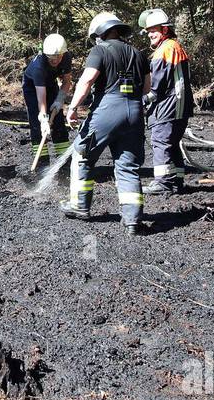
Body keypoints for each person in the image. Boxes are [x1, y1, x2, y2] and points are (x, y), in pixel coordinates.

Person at [59, 12, 149, 235]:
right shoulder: (138, 53)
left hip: (107, 110)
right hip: (135, 112)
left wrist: (72, 109)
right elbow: (147, 88)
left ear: (100, 33)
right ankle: (132, 220)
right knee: (128, 165)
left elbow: (87, 80)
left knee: (82, 155)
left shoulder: (99, 50)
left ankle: (79, 206)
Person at [140, 8, 193, 196]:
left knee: (160, 140)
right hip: (179, 105)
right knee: (172, 142)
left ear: (164, 30)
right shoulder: (173, 46)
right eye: (148, 31)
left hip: (170, 105)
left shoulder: (166, 49)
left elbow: (157, 85)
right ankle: (177, 181)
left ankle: (162, 182)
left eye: (153, 30)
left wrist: (143, 100)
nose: (150, 35)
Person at [22, 33, 75, 170]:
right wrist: (43, 117)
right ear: (46, 55)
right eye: (51, 58)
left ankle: (64, 164)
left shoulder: (66, 57)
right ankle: (42, 165)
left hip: (51, 84)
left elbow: (67, 81)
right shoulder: (39, 66)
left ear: (63, 53)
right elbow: (41, 95)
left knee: (58, 120)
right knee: (37, 123)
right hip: (32, 88)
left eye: (58, 57)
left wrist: (59, 99)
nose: (55, 61)